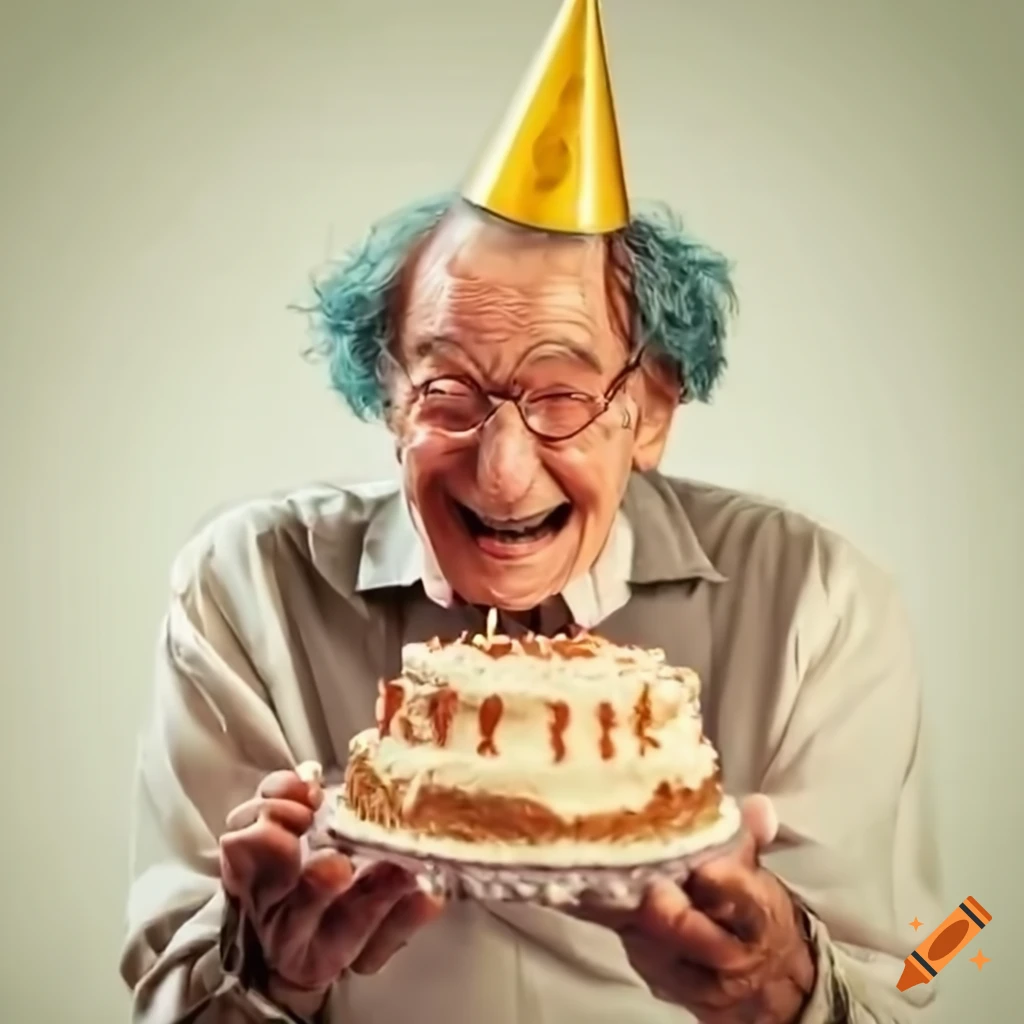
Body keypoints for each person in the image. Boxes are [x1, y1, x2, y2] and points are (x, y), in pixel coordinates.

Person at [119, 0, 942, 1021]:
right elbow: (162, 1002)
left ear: (649, 411)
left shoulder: (820, 603)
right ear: (386, 396)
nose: (502, 474)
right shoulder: (245, 589)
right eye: (448, 394)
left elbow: (944, 958)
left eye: (560, 396)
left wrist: (792, 984)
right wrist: (262, 972)